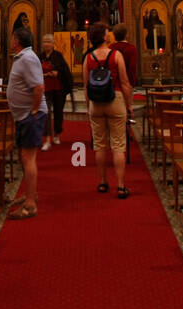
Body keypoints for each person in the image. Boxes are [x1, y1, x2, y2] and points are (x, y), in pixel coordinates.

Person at [84, 22, 133, 199]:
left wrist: (90, 105)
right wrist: (129, 105)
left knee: (99, 145)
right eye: (107, 32)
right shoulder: (116, 55)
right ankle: (120, 186)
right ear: (104, 36)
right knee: (119, 144)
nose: (110, 34)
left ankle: (103, 182)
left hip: (96, 103)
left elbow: (85, 86)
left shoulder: (88, 58)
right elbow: (125, 83)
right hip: (116, 99)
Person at [6, 27, 46, 219]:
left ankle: (30, 205)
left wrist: (34, 111)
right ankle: (30, 193)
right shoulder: (22, 58)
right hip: (23, 116)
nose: (10, 41)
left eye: (12, 38)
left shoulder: (28, 58)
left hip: (29, 116)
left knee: (28, 158)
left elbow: (38, 87)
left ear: (17, 41)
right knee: (24, 156)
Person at [39, 33, 73, 150]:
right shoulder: (40, 56)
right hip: (45, 89)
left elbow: (65, 71)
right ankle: (47, 138)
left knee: (58, 112)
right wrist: (45, 74)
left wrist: (57, 73)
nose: (47, 44)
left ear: (53, 44)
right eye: (45, 42)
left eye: (49, 42)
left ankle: (57, 134)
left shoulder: (58, 56)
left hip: (58, 89)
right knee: (46, 113)